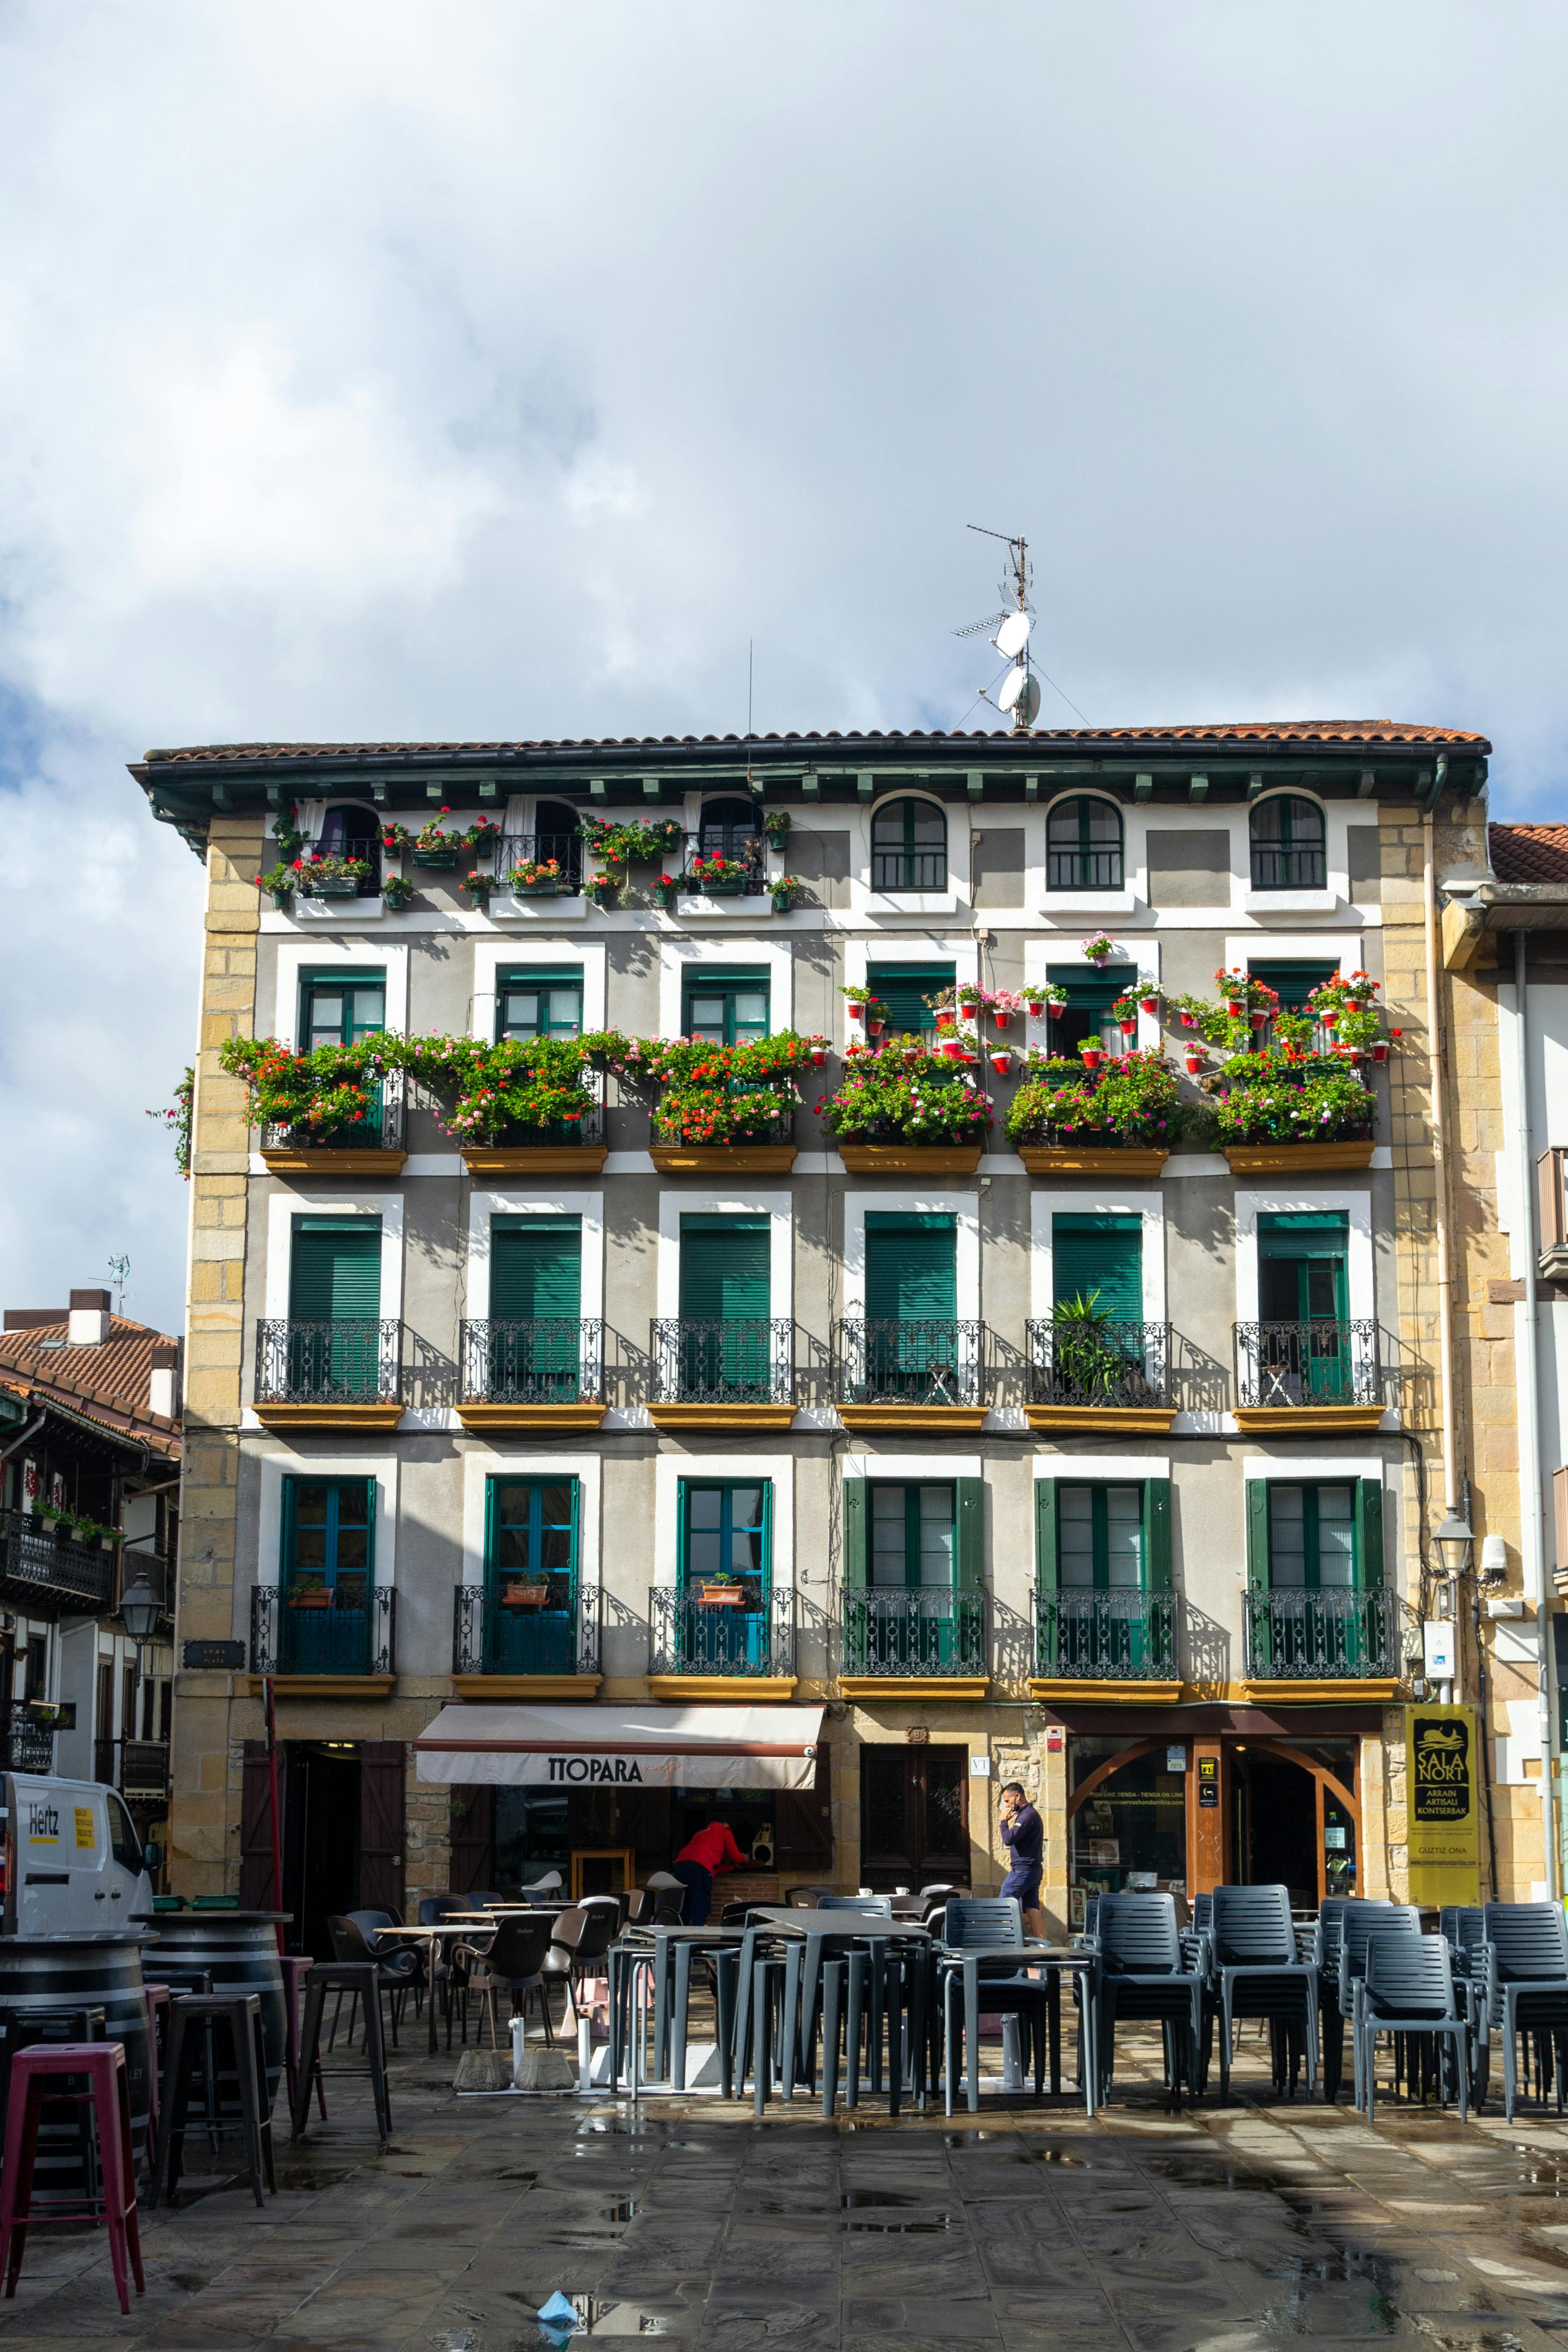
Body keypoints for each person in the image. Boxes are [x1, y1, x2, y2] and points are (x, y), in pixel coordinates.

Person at [671, 1817, 746, 1926]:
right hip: (699, 1867)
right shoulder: (724, 1830)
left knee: (684, 1903)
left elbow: (710, 1868)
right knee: (700, 1902)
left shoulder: (701, 1833)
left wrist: (732, 1867)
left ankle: (679, 1935)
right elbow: (736, 1857)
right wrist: (745, 1858)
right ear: (726, 1824)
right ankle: (698, 1934)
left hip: (681, 1864)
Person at [998, 1781, 1046, 1940]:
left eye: (1007, 1801)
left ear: (1017, 1796)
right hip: (1032, 1869)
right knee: (1032, 1908)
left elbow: (1008, 1839)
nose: (1007, 1806)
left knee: (1005, 1900)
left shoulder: (1027, 1816)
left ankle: (1008, 1944)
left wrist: (1004, 1821)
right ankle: (1045, 1948)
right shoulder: (1028, 1814)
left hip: (1024, 1870)